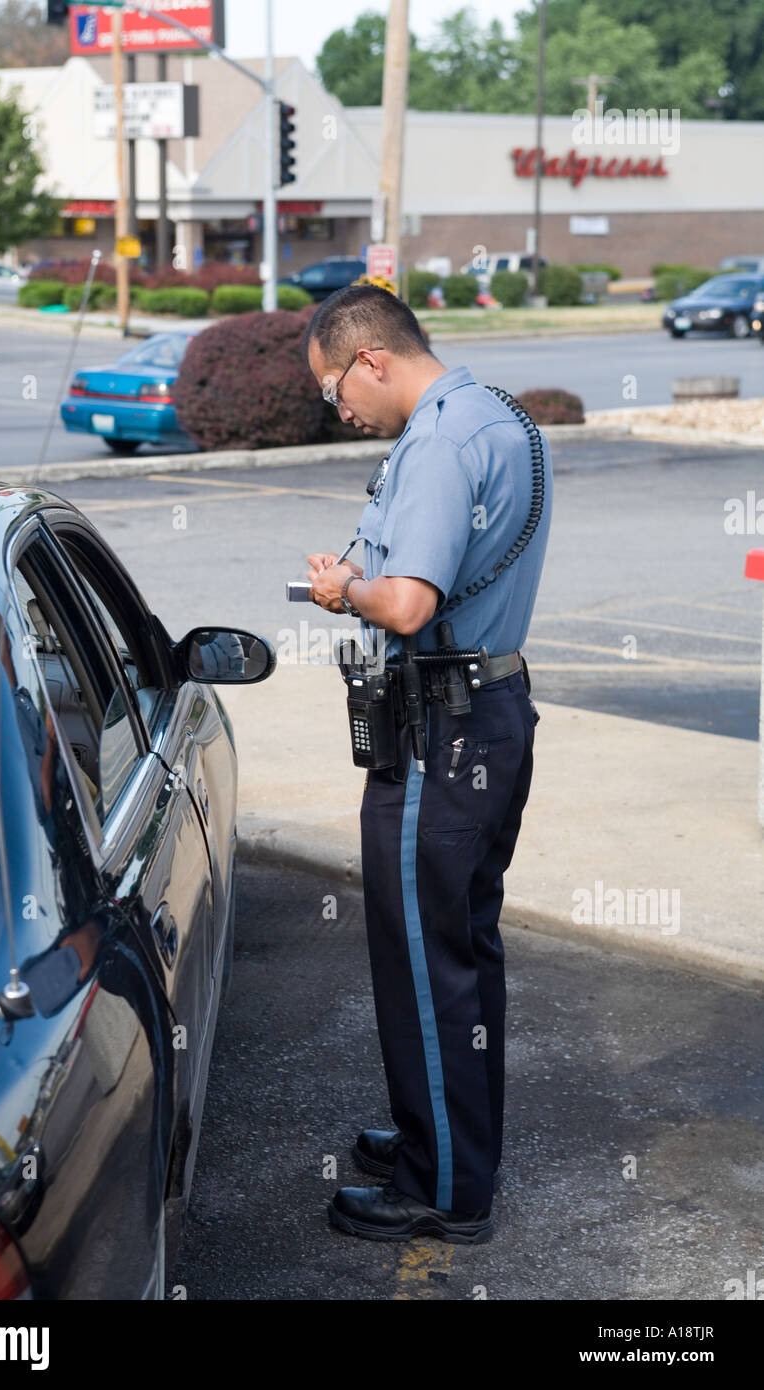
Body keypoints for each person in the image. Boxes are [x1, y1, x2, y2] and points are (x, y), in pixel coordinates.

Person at [303, 284, 553, 1243]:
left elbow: (407, 604)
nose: (343, 413)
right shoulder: (494, 415)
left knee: (422, 958)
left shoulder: (442, 442)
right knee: (461, 948)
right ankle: (448, 1139)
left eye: (335, 393)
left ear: (371, 359)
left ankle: (441, 1185)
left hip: (442, 726)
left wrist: (342, 588)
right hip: (485, 711)